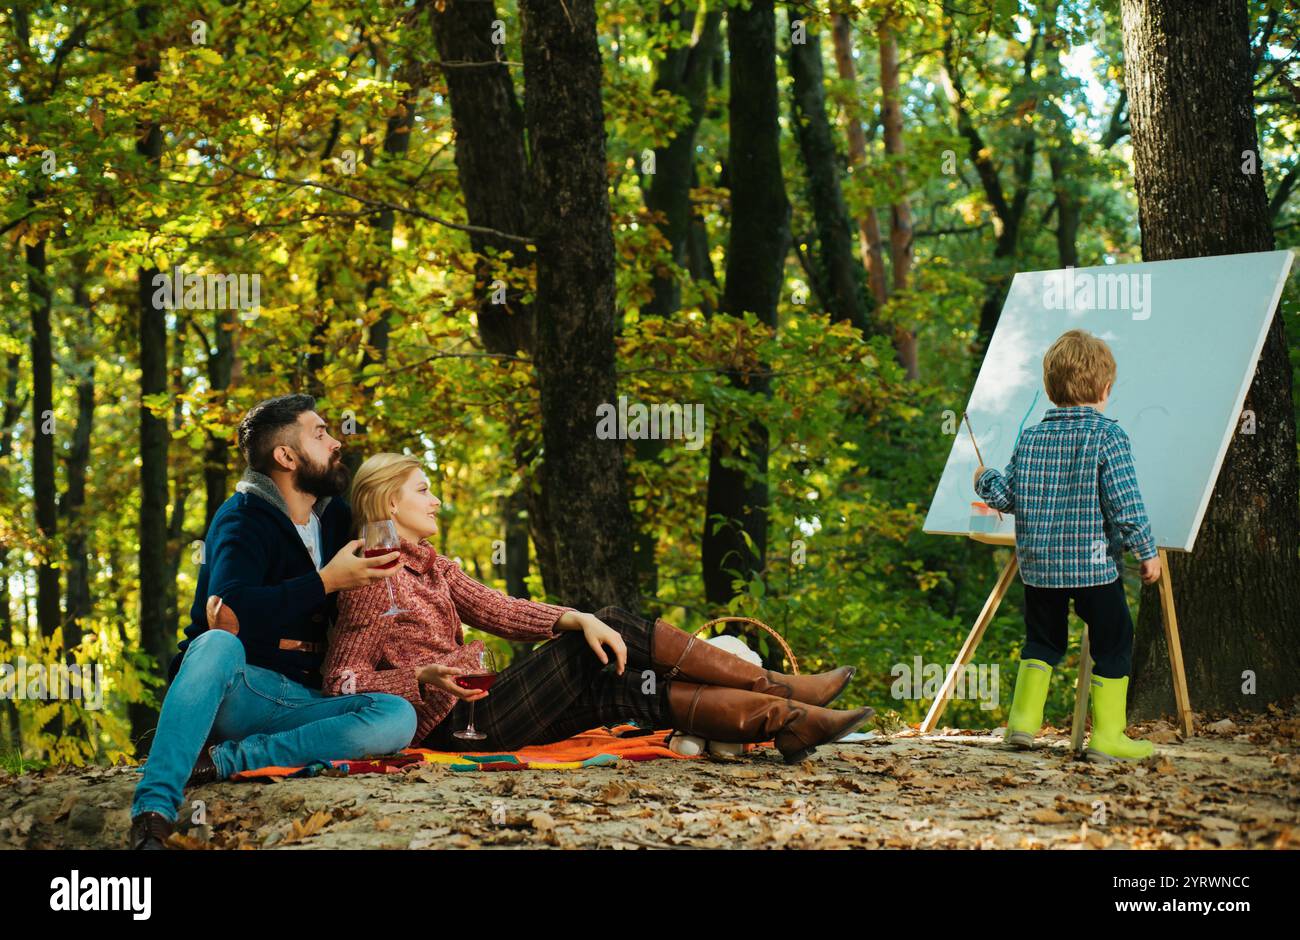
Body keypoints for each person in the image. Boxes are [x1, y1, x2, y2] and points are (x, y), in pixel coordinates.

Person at [322, 453, 874, 764]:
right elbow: (340, 683)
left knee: (620, 684)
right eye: (422, 490)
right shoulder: (367, 581)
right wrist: (418, 677)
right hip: (456, 724)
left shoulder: (434, 567)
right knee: (606, 630)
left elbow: (500, 609)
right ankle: (778, 689)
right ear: (390, 502)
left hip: (483, 707)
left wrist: (574, 618)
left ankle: (789, 721)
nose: (435, 498)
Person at [129, 396, 418, 849]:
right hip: (241, 692)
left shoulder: (334, 515)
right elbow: (232, 613)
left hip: (304, 700)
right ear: (286, 456)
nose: (336, 442)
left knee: (396, 715)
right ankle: (152, 813)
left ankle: (227, 761)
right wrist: (324, 581)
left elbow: (387, 558)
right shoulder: (241, 519)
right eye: (320, 434)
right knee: (217, 645)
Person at [974, 329, 1161, 762]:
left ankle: (1021, 724)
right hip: (1094, 569)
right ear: (1105, 388)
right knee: (1114, 641)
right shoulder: (1108, 437)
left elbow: (1007, 497)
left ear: (1050, 387)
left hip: (1040, 570)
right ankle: (1109, 737)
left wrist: (983, 478)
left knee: (1043, 642)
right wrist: (1146, 552)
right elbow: (1125, 504)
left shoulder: (1031, 438)